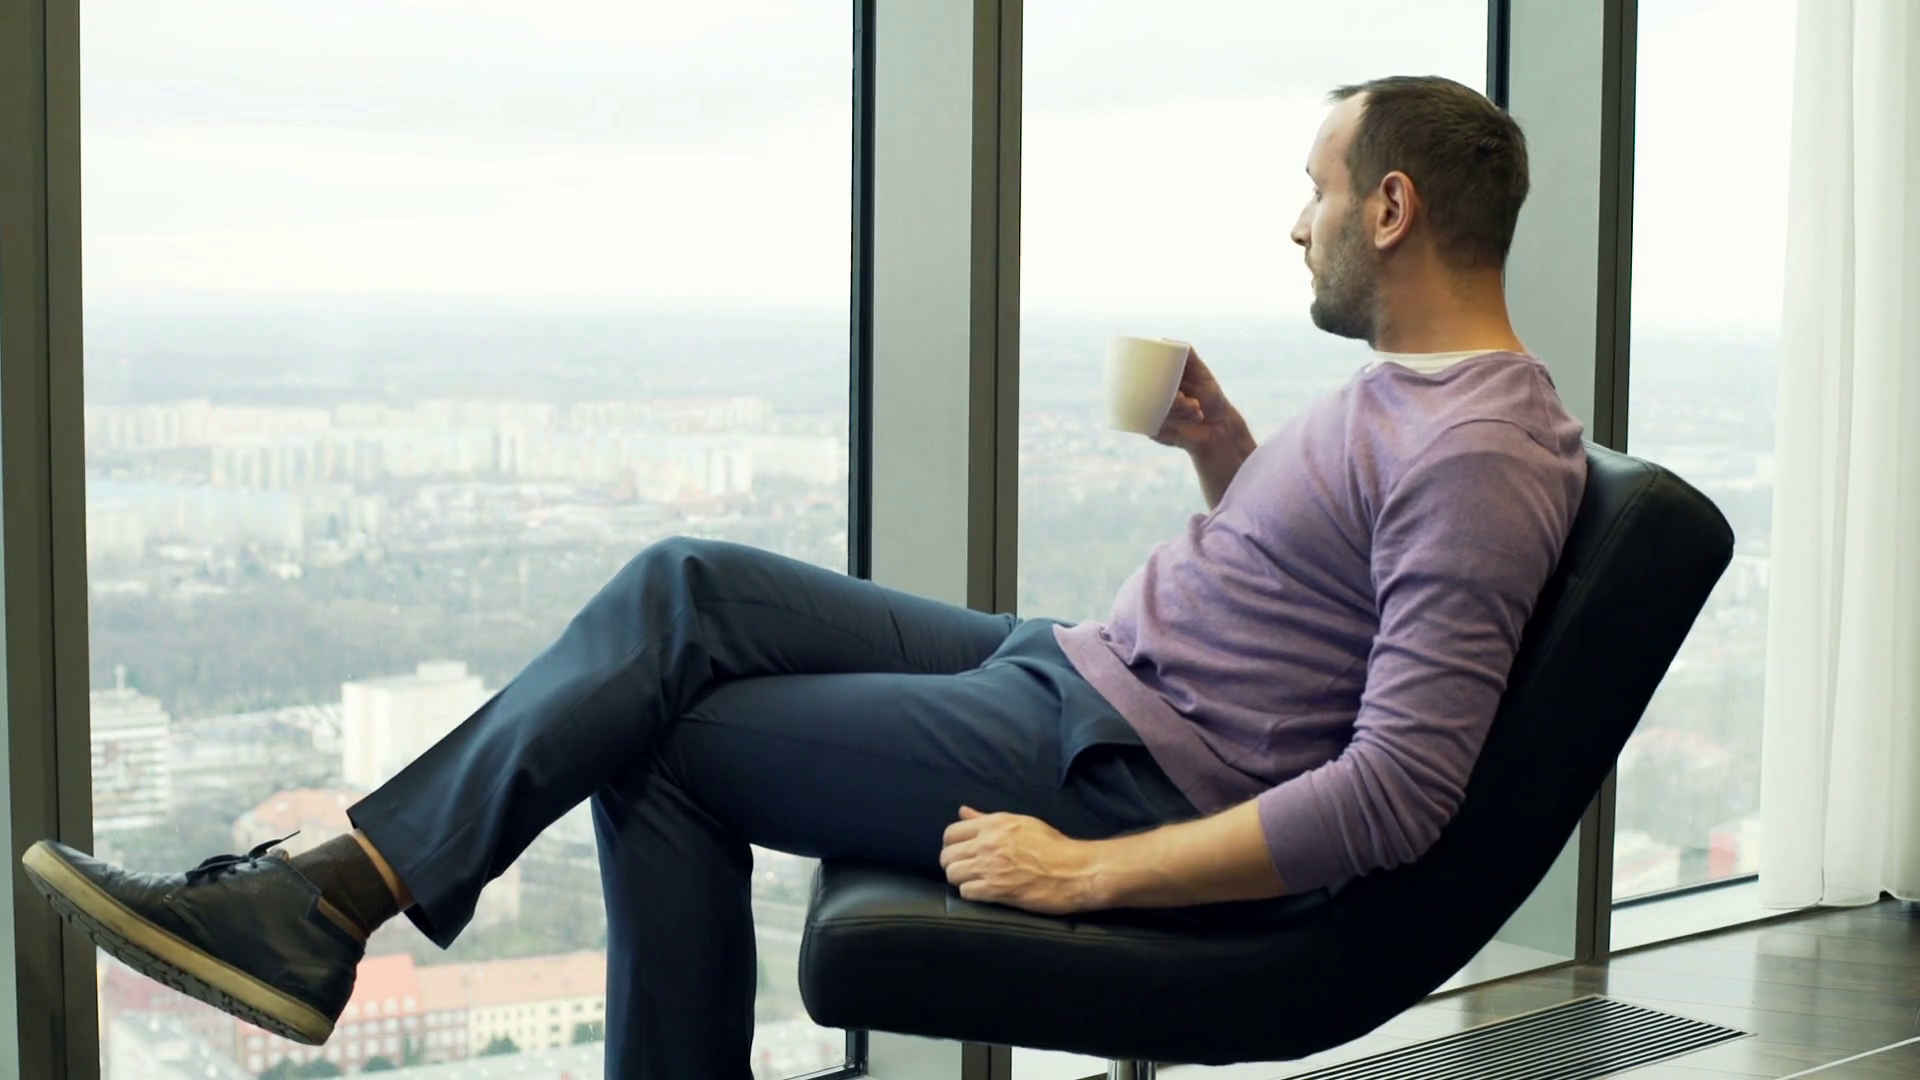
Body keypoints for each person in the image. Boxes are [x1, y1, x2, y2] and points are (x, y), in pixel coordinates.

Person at [22, 74, 1586, 1078]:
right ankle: (331, 897)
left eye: (1316, 190)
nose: (1291, 223)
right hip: (1080, 665)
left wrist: (1091, 868)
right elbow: (1315, 612)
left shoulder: (1478, 455)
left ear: (1391, 209)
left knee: (663, 746)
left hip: (1119, 764)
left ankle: (325, 906)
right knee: (684, 584)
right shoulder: (1410, 401)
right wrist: (1223, 457)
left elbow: (1398, 790)